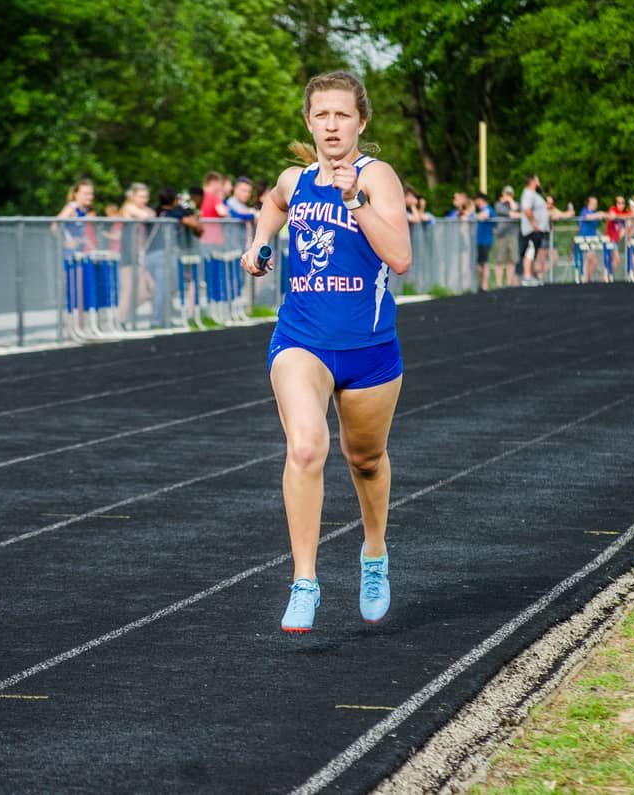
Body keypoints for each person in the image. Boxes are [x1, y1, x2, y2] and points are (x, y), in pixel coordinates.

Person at [239, 71, 411, 633]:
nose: (332, 125)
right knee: (307, 447)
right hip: (301, 341)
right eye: (322, 115)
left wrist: (356, 203)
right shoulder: (295, 179)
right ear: (308, 121)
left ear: (361, 121)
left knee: (364, 459)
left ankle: (375, 555)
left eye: (343, 115)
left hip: (369, 350)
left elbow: (401, 258)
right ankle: (305, 580)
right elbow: (273, 201)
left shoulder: (378, 177)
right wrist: (260, 242)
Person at [147, 186, 203, 327]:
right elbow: (197, 227)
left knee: (165, 287)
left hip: (151, 255)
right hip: (163, 255)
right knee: (164, 287)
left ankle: (164, 316)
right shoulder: (174, 214)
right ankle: (158, 320)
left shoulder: (155, 211)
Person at [118, 183, 156, 327]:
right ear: (133, 196)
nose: (144, 200)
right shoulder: (128, 207)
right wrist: (147, 212)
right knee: (127, 290)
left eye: (146, 197)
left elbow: (152, 214)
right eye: (141, 197)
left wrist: (148, 212)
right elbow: (146, 215)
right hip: (128, 255)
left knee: (144, 292)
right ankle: (120, 321)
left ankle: (125, 315)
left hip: (140, 256)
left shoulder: (139, 208)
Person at [53, 179, 97, 255]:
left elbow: (82, 234)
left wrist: (93, 249)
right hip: (69, 254)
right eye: (86, 194)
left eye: (91, 194)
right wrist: (64, 242)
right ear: (76, 194)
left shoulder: (85, 210)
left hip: (80, 253)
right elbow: (54, 226)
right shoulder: (71, 208)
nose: (90, 197)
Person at [519, 174, 546, 286]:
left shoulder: (534, 194)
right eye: (538, 180)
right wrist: (534, 223)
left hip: (536, 229)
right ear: (533, 181)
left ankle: (530, 275)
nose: (539, 182)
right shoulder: (528, 194)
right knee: (529, 251)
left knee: (533, 252)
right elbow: (527, 209)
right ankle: (527, 276)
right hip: (531, 229)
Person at [493, 186, 521, 287]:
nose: (508, 196)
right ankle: (499, 284)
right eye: (506, 194)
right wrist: (514, 214)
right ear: (502, 194)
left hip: (513, 235)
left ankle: (509, 283)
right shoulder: (498, 204)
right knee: (499, 260)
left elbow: (517, 211)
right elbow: (512, 214)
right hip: (501, 235)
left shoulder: (516, 204)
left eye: (510, 194)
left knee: (512, 260)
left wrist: (510, 201)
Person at [577, 196, 607, 283]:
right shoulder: (584, 210)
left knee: (593, 261)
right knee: (588, 258)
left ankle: (588, 278)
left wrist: (604, 214)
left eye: (596, 203)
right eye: (593, 203)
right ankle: (585, 279)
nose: (595, 205)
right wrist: (599, 214)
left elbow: (603, 215)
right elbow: (587, 217)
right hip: (584, 238)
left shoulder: (595, 212)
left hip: (592, 239)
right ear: (588, 203)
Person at [472, 192, 495, 291]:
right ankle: (481, 285)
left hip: (486, 241)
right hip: (479, 241)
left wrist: (474, 215)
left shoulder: (488, 209)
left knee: (484, 263)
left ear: (480, 200)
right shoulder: (481, 210)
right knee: (479, 264)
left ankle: (484, 285)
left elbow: (483, 216)